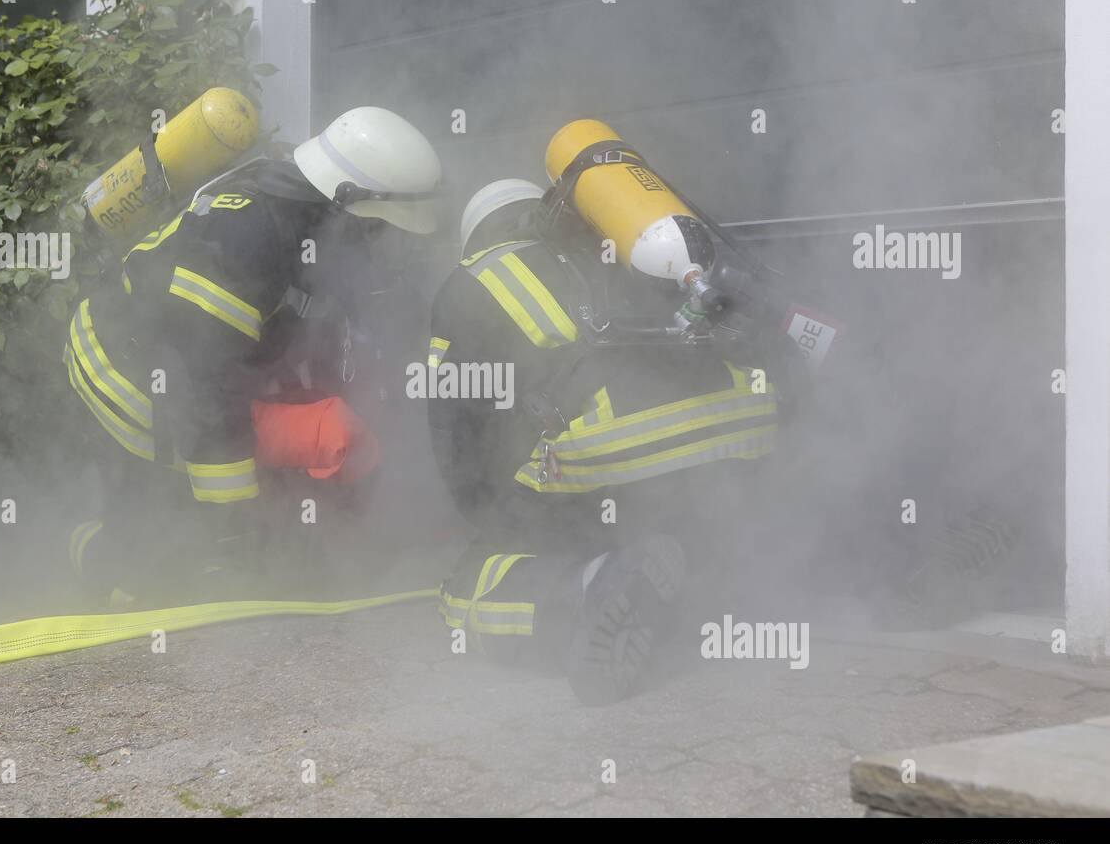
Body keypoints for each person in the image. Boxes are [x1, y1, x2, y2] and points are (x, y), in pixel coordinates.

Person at [427, 158, 798, 704]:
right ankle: (713, 580)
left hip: (619, 449)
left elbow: (458, 441)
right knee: (680, 529)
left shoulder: (472, 280)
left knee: (468, 588)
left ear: (474, 236)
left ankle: (588, 584)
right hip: (738, 430)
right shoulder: (621, 241)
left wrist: (511, 523)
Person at [65, 107, 442, 603]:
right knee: (181, 565)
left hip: (188, 370)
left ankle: (159, 531)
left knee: (237, 508)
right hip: (123, 368)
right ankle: (102, 555)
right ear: (348, 205)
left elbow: (292, 338)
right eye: (381, 231)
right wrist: (236, 527)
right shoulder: (244, 239)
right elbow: (200, 382)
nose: (386, 248)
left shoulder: (302, 214)